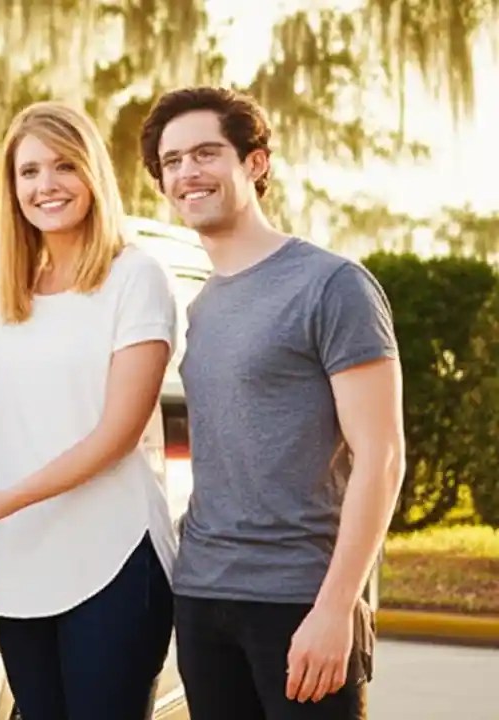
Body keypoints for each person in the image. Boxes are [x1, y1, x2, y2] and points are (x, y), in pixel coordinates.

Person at [137, 86, 405, 720]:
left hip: (299, 598)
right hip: (203, 596)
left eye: (206, 153)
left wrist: (336, 607)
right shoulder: (204, 302)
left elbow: (382, 455)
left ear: (254, 163)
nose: (187, 173)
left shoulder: (332, 285)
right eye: (172, 162)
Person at [0, 100, 179, 719]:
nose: (46, 185)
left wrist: (4, 507)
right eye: (29, 171)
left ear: (93, 173)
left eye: (64, 166)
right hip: (19, 566)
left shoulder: (136, 277)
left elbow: (116, 436)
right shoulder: (11, 291)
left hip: (114, 558)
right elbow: (1, 437)